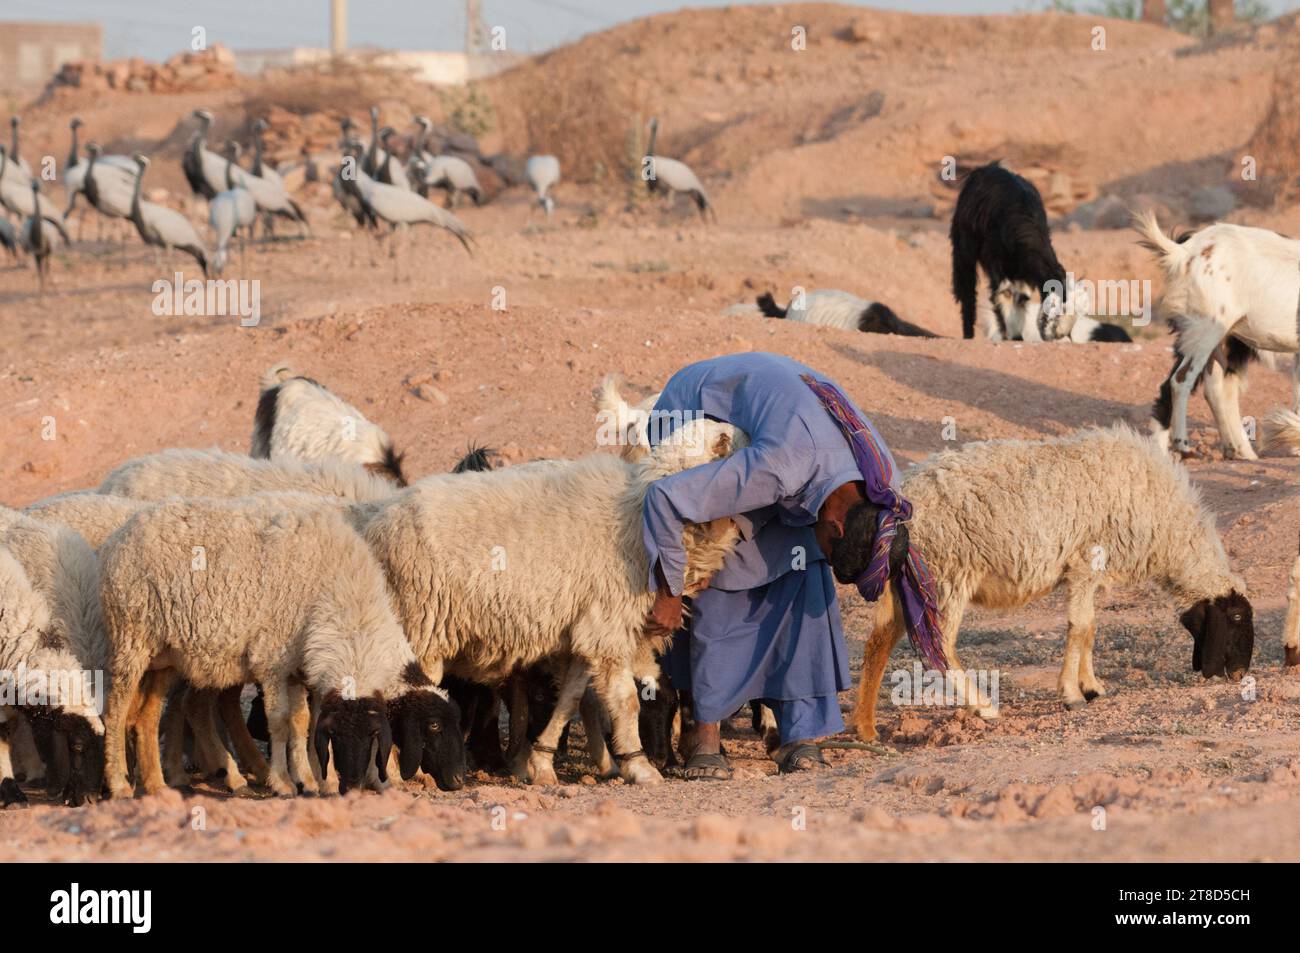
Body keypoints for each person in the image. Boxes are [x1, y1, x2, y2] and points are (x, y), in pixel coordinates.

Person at [641, 352, 943, 779]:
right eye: (831, 537)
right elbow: (665, 498)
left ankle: (797, 733)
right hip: (693, 407)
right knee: (726, 566)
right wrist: (670, 591)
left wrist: (750, 528)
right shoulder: (781, 467)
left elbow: (795, 511)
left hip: (781, 435)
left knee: (807, 569)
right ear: (837, 525)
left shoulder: (882, 487)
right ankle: (702, 731)